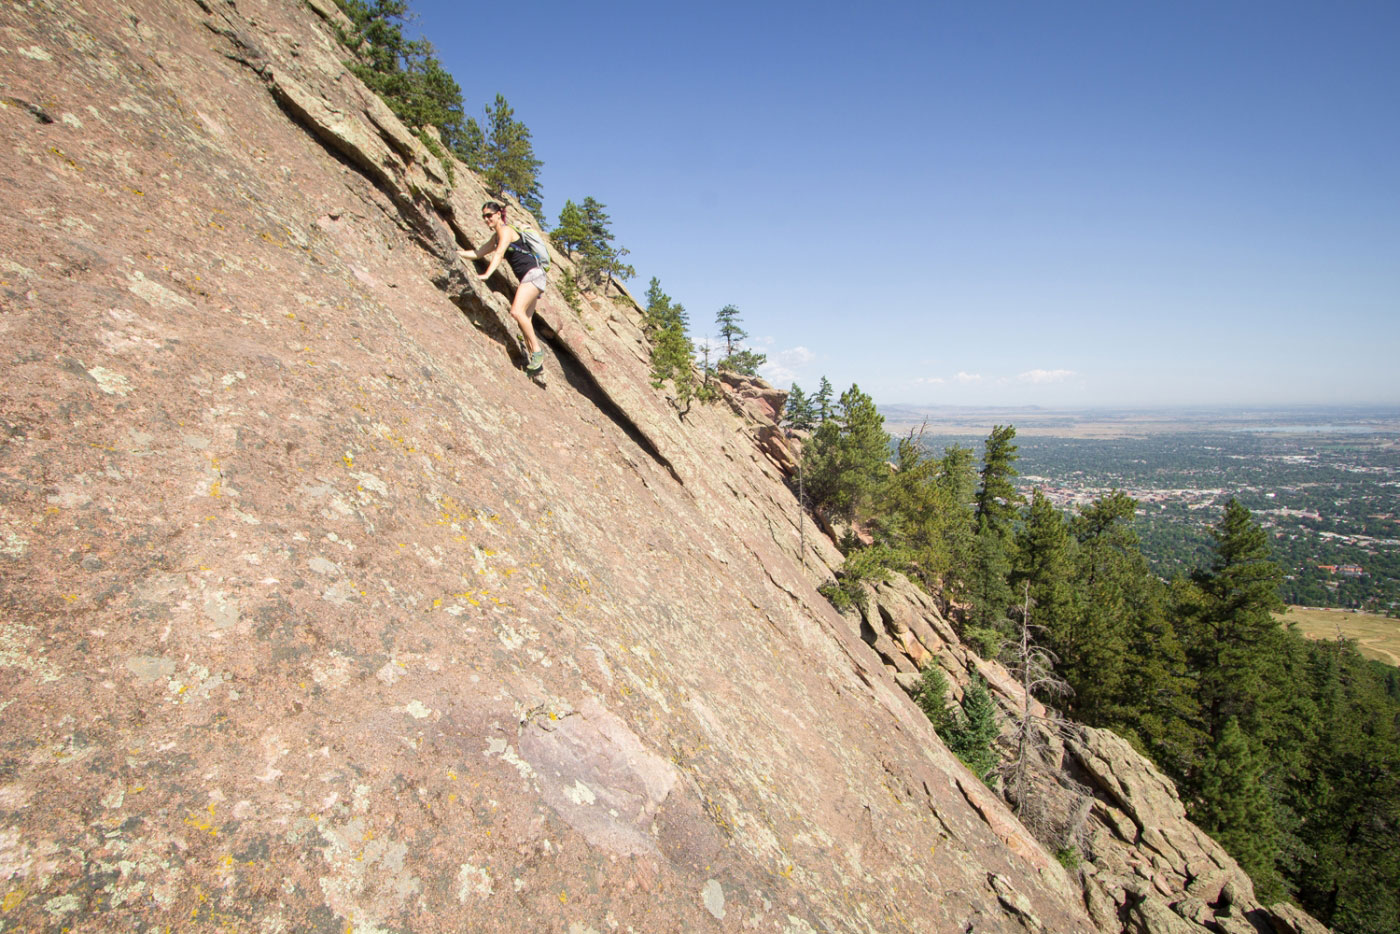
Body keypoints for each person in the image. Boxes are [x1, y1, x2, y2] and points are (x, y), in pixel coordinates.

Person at [458, 201, 547, 375]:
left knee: (516, 311)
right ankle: (536, 367)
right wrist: (456, 252)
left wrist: (486, 275)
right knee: (525, 321)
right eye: (484, 216)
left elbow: (499, 254)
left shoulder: (506, 232)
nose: (486, 219)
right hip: (529, 277)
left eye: (489, 215)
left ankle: (537, 353)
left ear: (499, 214)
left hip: (533, 275)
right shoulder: (496, 237)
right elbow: (478, 253)